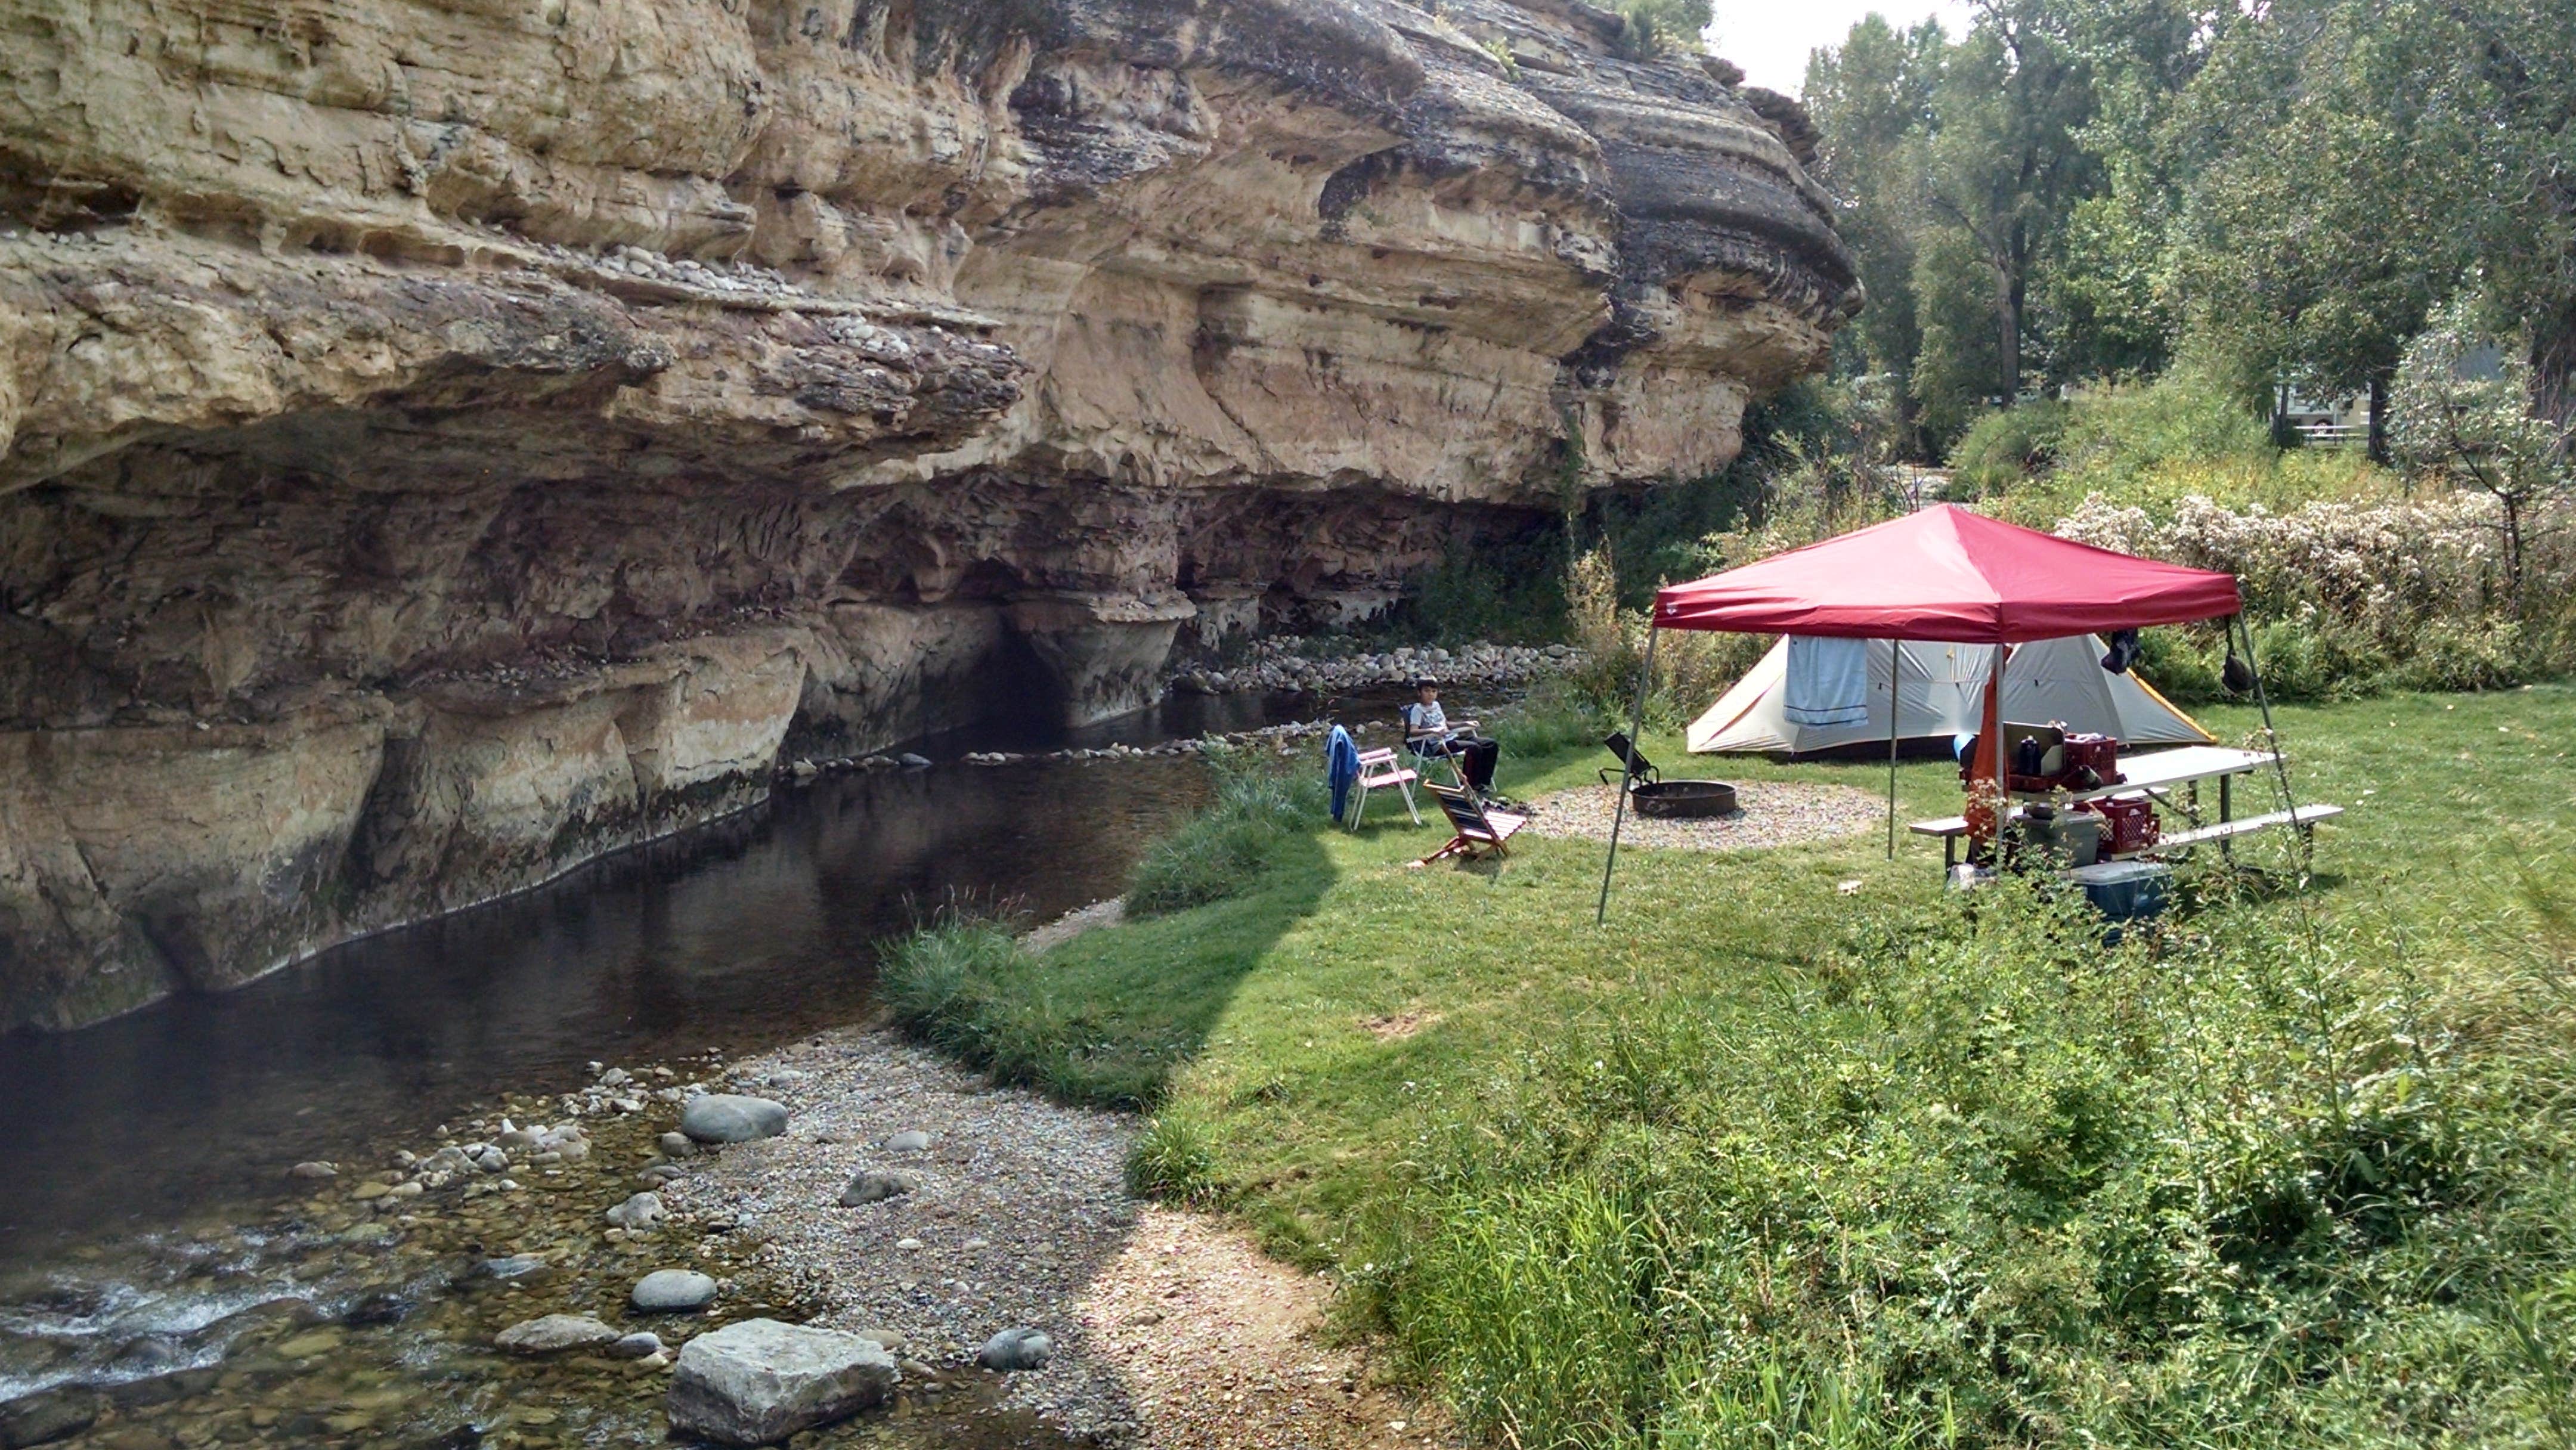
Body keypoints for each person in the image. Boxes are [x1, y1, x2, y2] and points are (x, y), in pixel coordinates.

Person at [1402, 677, 1500, 797]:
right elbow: (1413, 731)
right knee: (1474, 748)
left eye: (1434, 691)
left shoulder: (1436, 705)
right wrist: (1433, 731)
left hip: (1451, 738)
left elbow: (1447, 725)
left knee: (1491, 744)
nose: (1431, 694)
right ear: (1419, 693)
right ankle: (1470, 785)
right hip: (1438, 745)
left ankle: (1482, 782)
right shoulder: (1417, 710)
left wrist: (1465, 723)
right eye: (1427, 691)